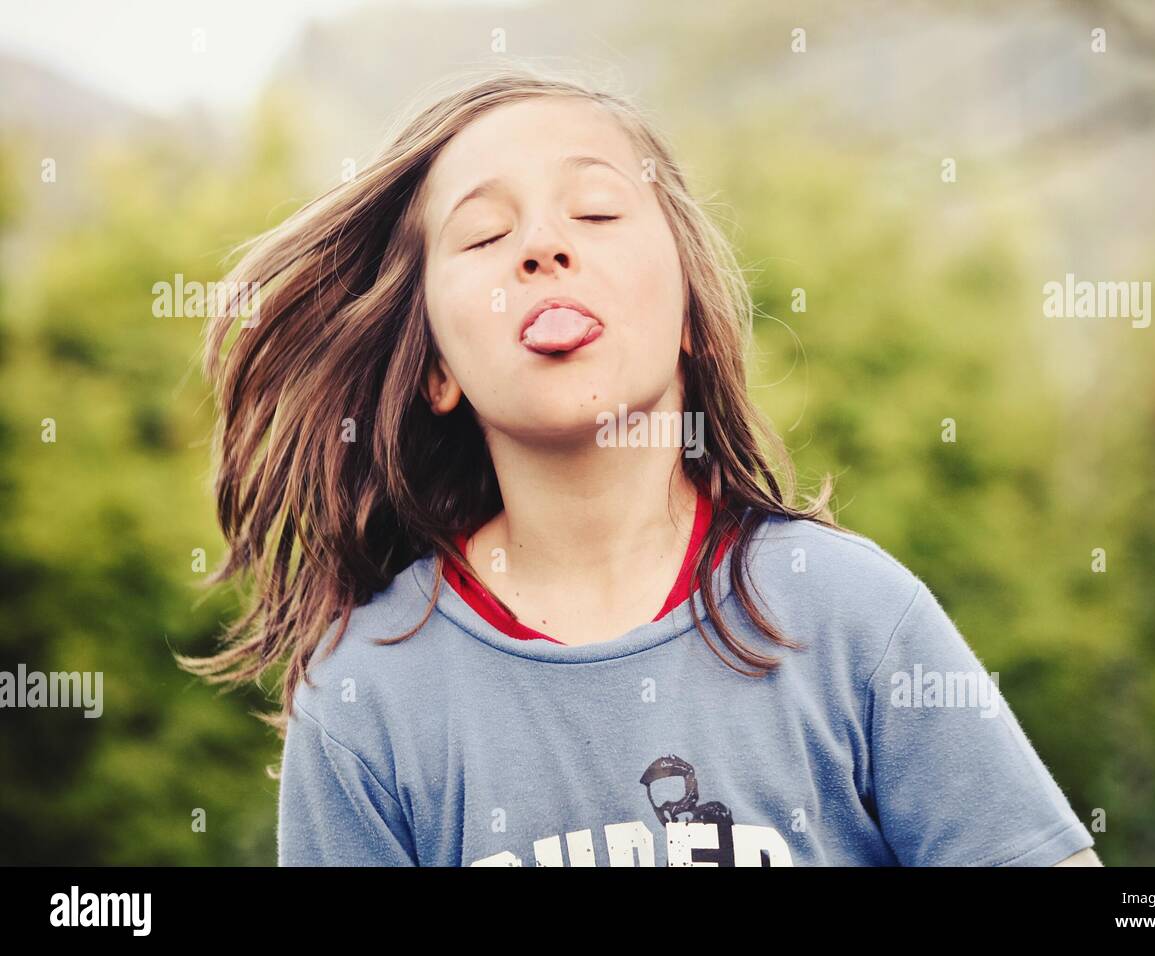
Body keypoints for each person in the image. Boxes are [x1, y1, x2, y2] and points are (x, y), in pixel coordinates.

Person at [178, 65, 1101, 867]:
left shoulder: (853, 615)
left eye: (597, 210)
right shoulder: (365, 700)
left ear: (694, 320)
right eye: (486, 236)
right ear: (435, 369)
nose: (544, 247)